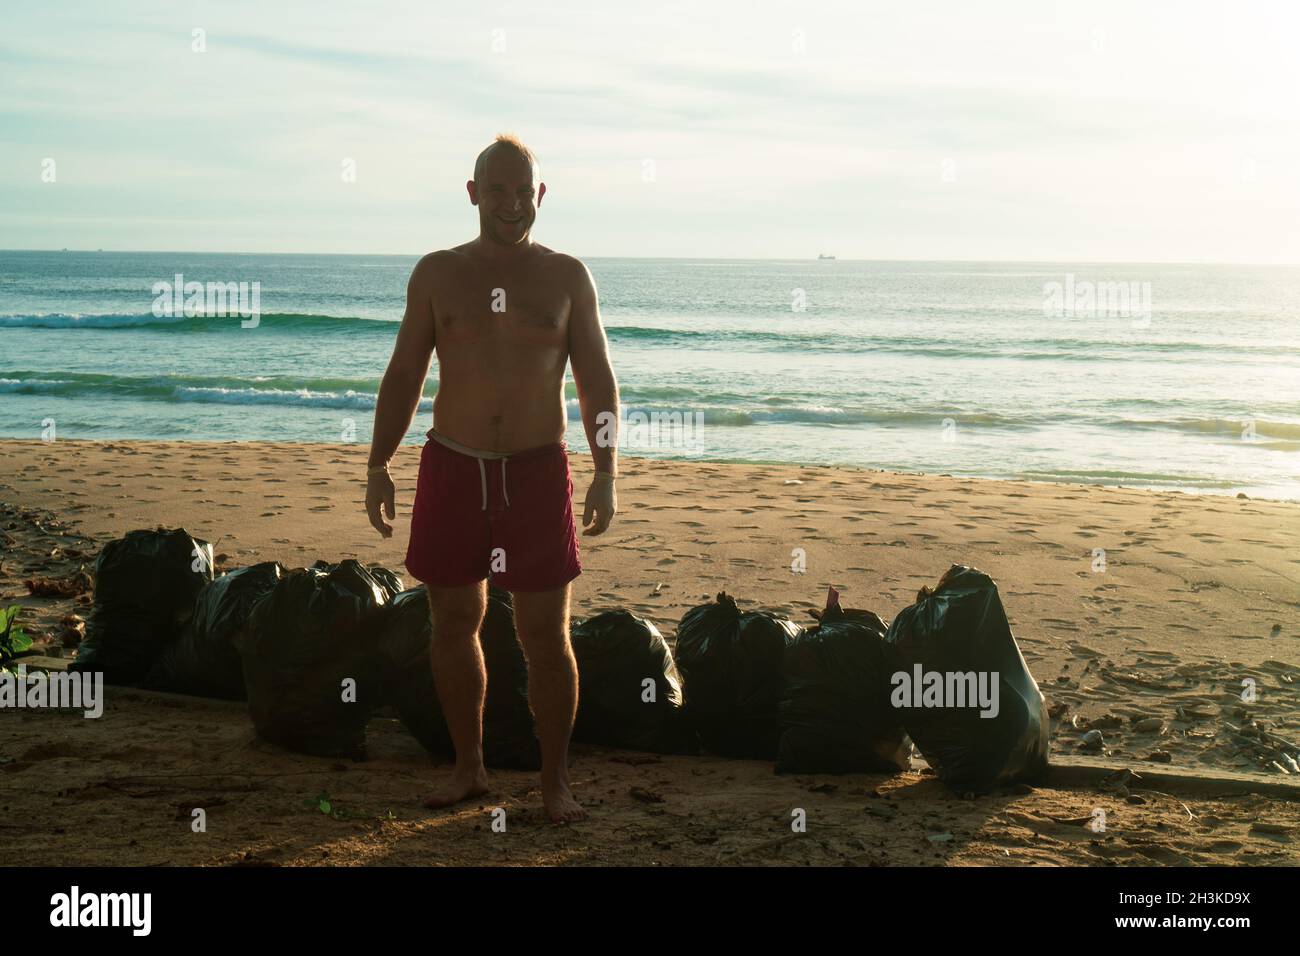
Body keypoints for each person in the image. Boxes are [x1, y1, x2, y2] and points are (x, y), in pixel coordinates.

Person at [365, 134, 619, 823]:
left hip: (537, 472)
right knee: (453, 622)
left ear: (539, 196)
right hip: (453, 465)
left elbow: (596, 380)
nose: (510, 204)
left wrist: (605, 470)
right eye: (496, 190)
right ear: (474, 193)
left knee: (546, 636)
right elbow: (404, 375)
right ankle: (469, 768)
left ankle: (554, 782)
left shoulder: (568, 277)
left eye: (522, 192)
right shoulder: (437, 273)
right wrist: (378, 463)